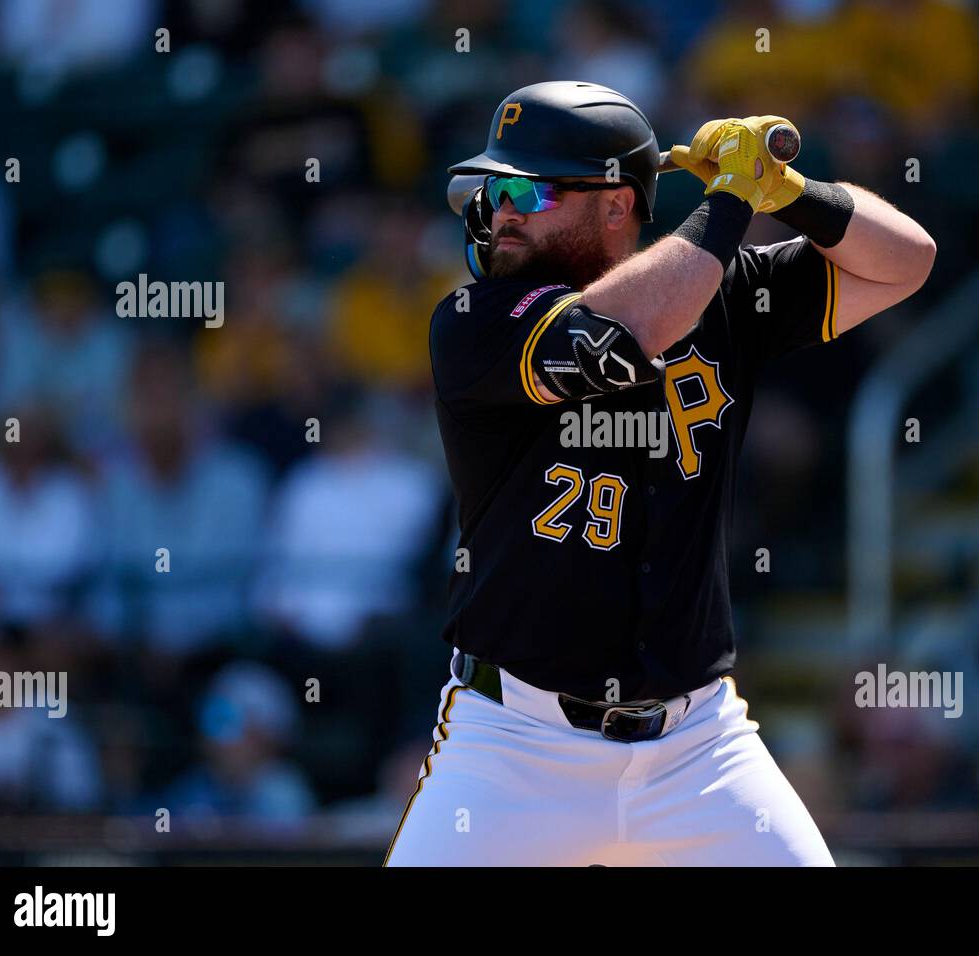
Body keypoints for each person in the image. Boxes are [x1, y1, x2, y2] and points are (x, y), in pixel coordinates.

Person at [385, 81, 934, 866]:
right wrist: (731, 203)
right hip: (514, 746)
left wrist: (792, 191)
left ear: (615, 205)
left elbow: (906, 262)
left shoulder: (725, 293)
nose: (500, 208)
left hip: (698, 748)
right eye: (493, 188)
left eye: (526, 188)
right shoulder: (474, 319)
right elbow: (621, 332)